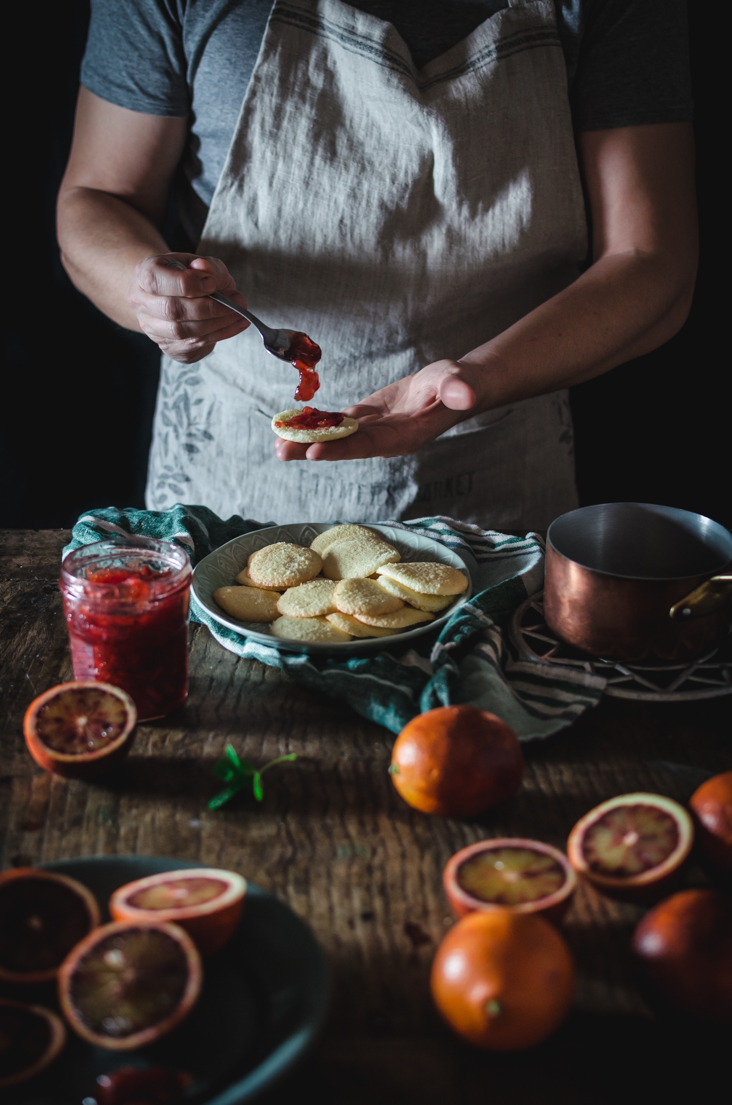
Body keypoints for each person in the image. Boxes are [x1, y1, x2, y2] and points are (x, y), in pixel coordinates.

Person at [57, 0, 697, 528]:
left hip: (500, 464)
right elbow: (98, 198)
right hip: (230, 475)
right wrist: (151, 294)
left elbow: (650, 261)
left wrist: (472, 381)